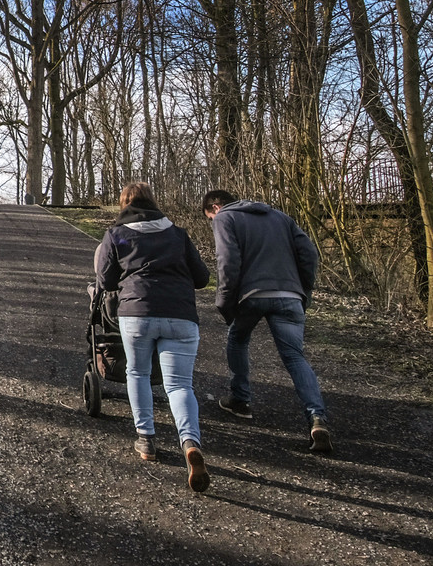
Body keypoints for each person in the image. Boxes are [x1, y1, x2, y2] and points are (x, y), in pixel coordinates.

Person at [95, 181, 212, 492]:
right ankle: (190, 442)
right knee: (179, 384)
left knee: (138, 372)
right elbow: (202, 278)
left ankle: (146, 440)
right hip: (180, 316)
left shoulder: (116, 234)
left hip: (137, 314)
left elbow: (105, 280)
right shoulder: (177, 233)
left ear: (124, 205)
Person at [203, 189, 333, 454]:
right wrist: (301, 291)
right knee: (295, 357)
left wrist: (225, 303)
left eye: (208, 218)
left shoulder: (225, 218)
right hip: (289, 295)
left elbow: (227, 261)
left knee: (238, 338)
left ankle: (240, 400)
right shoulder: (280, 217)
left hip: (252, 295)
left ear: (215, 207)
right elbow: (309, 254)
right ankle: (317, 419)